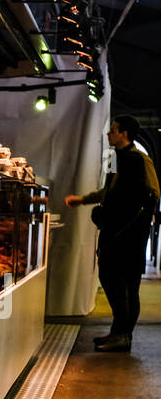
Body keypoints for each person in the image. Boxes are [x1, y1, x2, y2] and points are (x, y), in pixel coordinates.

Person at [65, 114, 159, 352]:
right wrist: (84, 200)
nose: (109, 134)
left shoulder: (139, 159)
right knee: (113, 280)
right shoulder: (115, 159)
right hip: (115, 232)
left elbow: (152, 195)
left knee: (126, 283)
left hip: (128, 235)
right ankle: (119, 333)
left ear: (124, 133)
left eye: (113, 130)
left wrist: (130, 223)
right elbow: (109, 191)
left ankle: (123, 335)